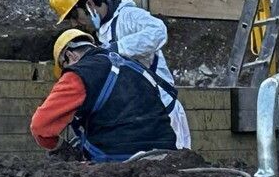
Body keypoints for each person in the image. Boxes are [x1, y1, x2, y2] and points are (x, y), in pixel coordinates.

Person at [47, 0, 190, 149]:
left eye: (74, 16)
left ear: (90, 5)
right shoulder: (100, 35)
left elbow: (158, 31)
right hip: (139, 119)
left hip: (165, 111)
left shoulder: (127, 16)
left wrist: (118, 48)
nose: (75, 24)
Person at [31, 29, 180, 161]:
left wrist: (60, 146)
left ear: (70, 55)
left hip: (121, 158)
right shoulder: (133, 66)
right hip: (167, 152)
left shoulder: (78, 75)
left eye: (64, 66)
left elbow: (40, 127)